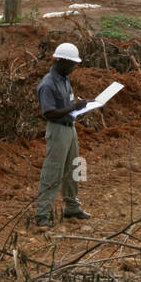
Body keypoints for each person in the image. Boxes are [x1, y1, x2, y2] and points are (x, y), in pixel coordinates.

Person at [35, 42, 92, 227]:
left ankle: (72, 206)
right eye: (73, 63)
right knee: (53, 170)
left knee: (76, 167)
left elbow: (67, 104)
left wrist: (80, 106)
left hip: (70, 128)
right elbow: (49, 113)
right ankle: (42, 213)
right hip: (58, 130)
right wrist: (72, 108)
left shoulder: (64, 78)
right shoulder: (48, 84)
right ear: (63, 61)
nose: (75, 67)